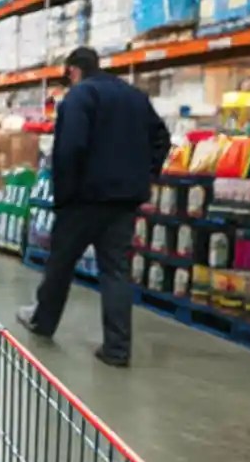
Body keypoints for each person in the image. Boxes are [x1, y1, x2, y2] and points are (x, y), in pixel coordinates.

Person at [17, 47, 171, 368]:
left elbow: (70, 147)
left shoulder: (79, 97)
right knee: (115, 271)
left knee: (60, 264)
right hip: (124, 200)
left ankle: (44, 322)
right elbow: (162, 138)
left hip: (84, 199)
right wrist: (146, 175)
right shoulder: (135, 97)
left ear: (73, 71)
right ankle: (117, 349)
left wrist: (64, 194)